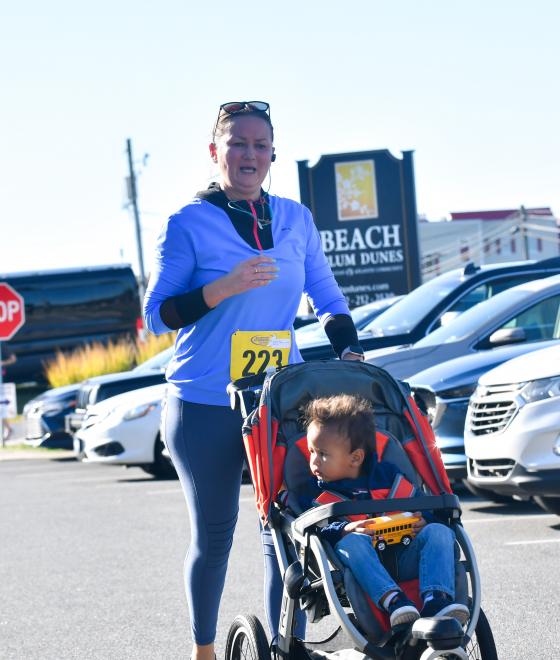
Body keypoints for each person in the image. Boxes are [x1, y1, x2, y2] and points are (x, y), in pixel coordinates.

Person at [143, 101, 365, 660]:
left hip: (277, 401)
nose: (249, 154)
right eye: (237, 143)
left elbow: (328, 299)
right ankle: (203, 649)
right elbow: (156, 315)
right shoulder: (188, 223)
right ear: (215, 151)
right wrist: (226, 286)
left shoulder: (295, 219)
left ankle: (284, 645)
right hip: (204, 404)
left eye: (260, 145)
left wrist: (350, 350)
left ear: (272, 155)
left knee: (286, 533)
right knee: (216, 535)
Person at [300, 394, 469, 627]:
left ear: (356, 457)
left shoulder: (389, 477)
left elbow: (422, 505)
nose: (314, 462)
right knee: (352, 543)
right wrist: (344, 529)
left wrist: (424, 520)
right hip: (363, 567)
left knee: (439, 531)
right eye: (311, 452)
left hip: (406, 554)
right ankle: (394, 601)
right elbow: (311, 534)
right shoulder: (317, 494)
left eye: (322, 454)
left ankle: (436, 600)